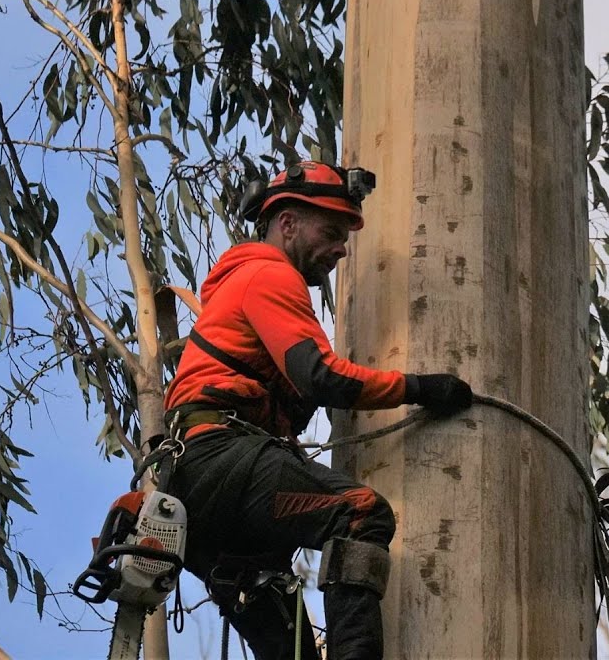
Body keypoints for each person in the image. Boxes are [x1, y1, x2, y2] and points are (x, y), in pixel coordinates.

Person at [162, 160, 472, 659]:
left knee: (295, 650)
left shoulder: (238, 288)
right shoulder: (269, 276)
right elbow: (322, 376)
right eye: (330, 231)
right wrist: (419, 387)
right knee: (359, 513)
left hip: (201, 502)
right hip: (222, 460)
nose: (340, 248)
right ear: (287, 223)